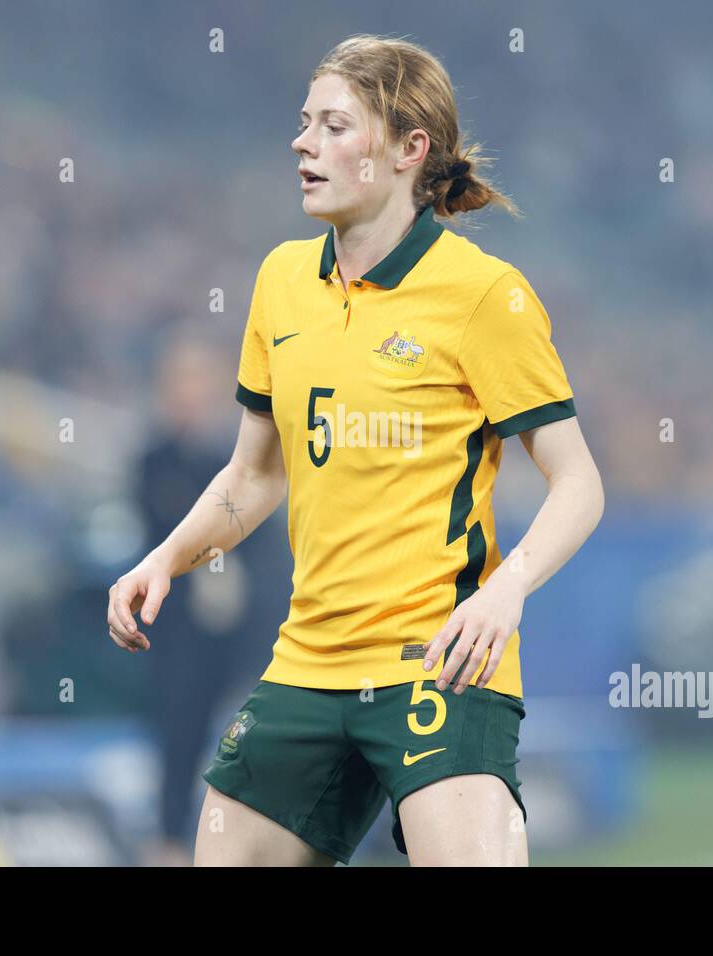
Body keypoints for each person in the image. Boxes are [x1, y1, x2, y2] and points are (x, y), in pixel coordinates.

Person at [107, 34, 605, 866]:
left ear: (411, 149)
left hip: (438, 663)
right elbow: (255, 476)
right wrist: (167, 558)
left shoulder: (484, 295)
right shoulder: (280, 282)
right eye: (305, 124)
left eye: (335, 126)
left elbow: (578, 482)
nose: (303, 144)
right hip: (307, 662)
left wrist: (504, 592)